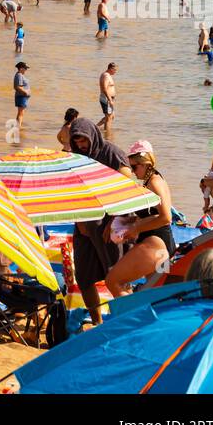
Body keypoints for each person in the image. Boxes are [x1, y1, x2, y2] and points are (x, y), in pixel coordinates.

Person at [68, 117, 133, 325]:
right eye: (76, 142)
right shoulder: (76, 158)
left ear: (93, 136)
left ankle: (125, 320)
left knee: (116, 275)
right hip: (85, 224)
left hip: (109, 225)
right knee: (84, 277)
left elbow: (127, 188)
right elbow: (74, 192)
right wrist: (78, 219)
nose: (81, 146)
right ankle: (97, 322)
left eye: (83, 141)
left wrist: (113, 220)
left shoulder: (111, 154)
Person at [105, 141, 175, 296]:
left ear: (145, 163)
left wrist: (136, 228)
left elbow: (166, 217)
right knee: (155, 294)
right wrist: (129, 223)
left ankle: (128, 318)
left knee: (113, 281)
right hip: (162, 245)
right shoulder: (152, 181)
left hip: (156, 244)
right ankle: (141, 318)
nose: (133, 172)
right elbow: (152, 215)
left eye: (135, 167)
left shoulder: (154, 183)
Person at [98, 62, 117, 133]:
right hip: (106, 98)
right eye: (115, 70)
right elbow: (104, 88)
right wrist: (109, 99)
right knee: (108, 117)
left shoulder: (107, 75)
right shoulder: (106, 76)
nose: (115, 72)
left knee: (111, 116)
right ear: (111, 68)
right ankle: (107, 134)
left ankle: (96, 127)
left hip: (108, 98)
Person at [13, 61, 30, 132]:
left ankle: (17, 126)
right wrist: (25, 92)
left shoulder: (20, 75)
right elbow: (17, 87)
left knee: (20, 113)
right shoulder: (19, 75)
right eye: (25, 68)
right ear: (20, 68)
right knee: (21, 113)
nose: (26, 70)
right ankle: (18, 128)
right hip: (21, 97)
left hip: (22, 97)